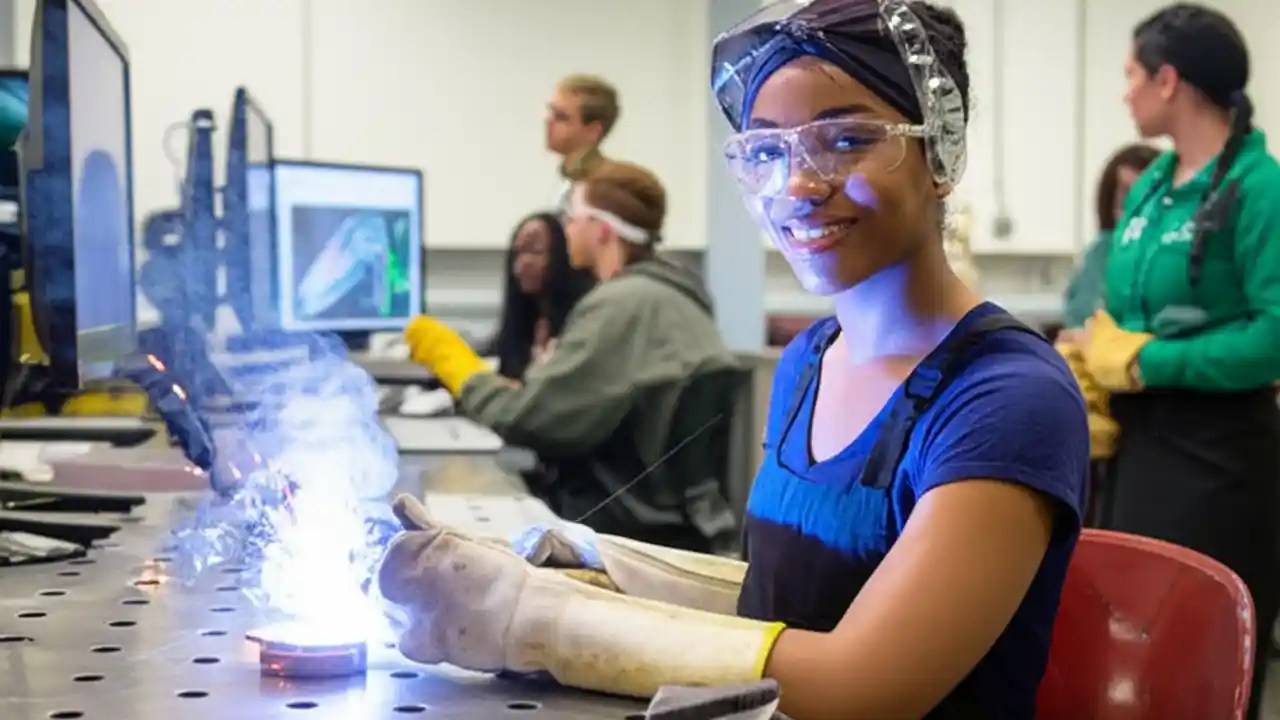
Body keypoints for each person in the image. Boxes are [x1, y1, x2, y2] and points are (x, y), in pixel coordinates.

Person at [378, 2, 1089, 718]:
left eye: (846, 139)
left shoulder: (1005, 398)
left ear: (940, 151)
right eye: (769, 152)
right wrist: (608, 567)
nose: (802, 187)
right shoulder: (810, 360)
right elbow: (794, 600)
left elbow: (865, 685)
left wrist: (537, 619)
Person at [1073, 5, 1280, 717]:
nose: (1123, 91)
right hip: (1141, 452)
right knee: (1135, 653)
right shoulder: (1155, 186)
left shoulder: (1260, 187)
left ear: (1169, 80)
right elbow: (1125, 307)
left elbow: (1273, 336)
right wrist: (1096, 354)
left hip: (1219, 460)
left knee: (1201, 657)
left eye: (1131, 74)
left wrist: (1148, 362)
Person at [403, 160, 741, 550]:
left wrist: (459, 369)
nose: (567, 230)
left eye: (574, 219)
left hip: (614, 527)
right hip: (670, 526)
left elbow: (528, 418)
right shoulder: (677, 295)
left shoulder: (623, 305)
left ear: (603, 231)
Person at [1061, 144, 1160, 329]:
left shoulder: (1173, 255)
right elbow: (1078, 318)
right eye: (1125, 192)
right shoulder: (1099, 255)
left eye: (1144, 193)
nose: (1134, 203)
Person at [488, 212, 595, 381]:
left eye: (535, 250)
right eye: (518, 253)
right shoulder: (519, 326)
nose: (523, 263)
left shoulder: (587, 319)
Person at [545, 74, 618, 212]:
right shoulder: (568, 180)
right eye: (550, 112)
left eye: (561, 117)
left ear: (593, 131)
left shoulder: (601, 192)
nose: (548, 122)